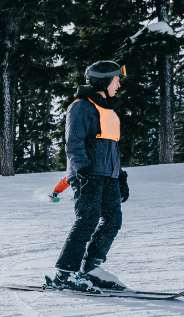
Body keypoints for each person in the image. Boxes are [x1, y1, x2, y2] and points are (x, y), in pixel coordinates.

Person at [50, 61, 130, 291]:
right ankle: (65, 273)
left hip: (109, 176)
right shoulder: (81, 107)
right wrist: (82, 170)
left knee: (113, 221)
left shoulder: (107, 110)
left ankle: (92, 268)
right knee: (87, 221)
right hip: (88, 175)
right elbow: (73, 143)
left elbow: (111, 147)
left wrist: (120, 175)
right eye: (116, 79)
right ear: (104, 81)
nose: (119, 84)